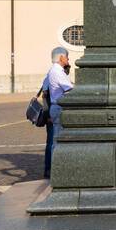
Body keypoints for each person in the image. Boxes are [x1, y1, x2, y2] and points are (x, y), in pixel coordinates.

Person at [43, 48, 75, 179]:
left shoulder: (53, 71)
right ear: (61, 57)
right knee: (55, 141)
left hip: (53, 109)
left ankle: (52, 169)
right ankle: (54, 170)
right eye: (67, 57)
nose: (68, 60)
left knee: (54, 140)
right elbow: (69, 88)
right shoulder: (57, 72)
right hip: (57, 108)